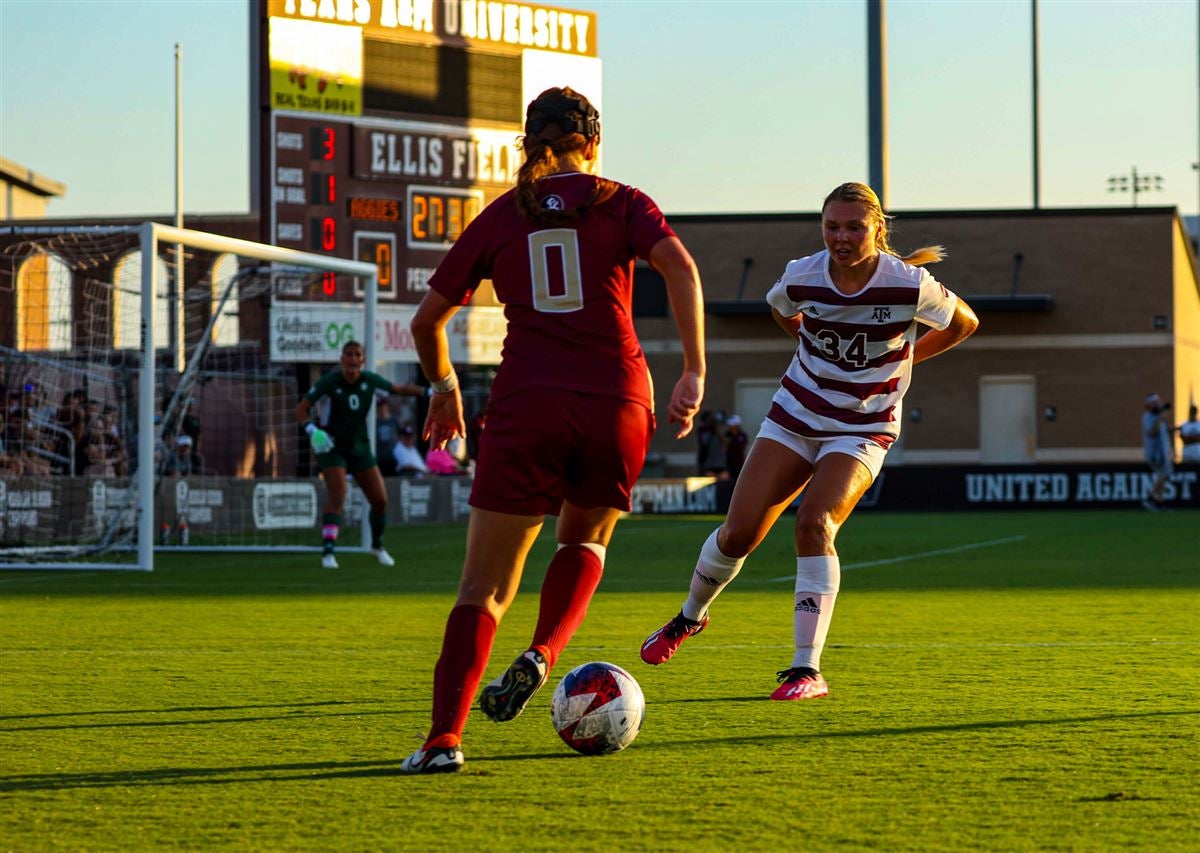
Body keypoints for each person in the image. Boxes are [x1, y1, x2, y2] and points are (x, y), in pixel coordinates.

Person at [400, 86, 705, 774]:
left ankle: (444, 740)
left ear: (529, 142)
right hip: (618, 401)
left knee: (483, 591)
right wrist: (693, 369)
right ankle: (544, 650)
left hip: (527, 403)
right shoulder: (621, 201)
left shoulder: (505, 213)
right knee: (585, 540)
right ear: (593, 143)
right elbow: (680, 267)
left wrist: (445, 390)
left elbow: (426, 323)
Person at [640, 181, 978, 702]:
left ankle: (806, 669)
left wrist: (909, 357)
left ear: (877, 229)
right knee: (738, 534)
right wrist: (809, 341)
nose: (841, 238)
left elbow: (965, 323)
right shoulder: (802, 274)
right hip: (795, 417)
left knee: (814, 523)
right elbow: (782, 310)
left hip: (863, 427)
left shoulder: (909, 284)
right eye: (831, 226)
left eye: (854, 227)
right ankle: (689, 618)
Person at [294, 340, 428, 569]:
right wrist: (312, 429)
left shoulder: (369, 380)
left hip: (360, 448)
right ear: (341, 359)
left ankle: (377, 546)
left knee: (380, 500)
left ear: (363, 360)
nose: (353, 359)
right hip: (332, 447)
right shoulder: (329, 382)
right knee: (338, 494)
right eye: (349, 354)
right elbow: (300, 409)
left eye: (357, 355)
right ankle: (328, 552)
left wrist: (429, 391)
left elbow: (398, 389)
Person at [1141, 393, 1173, 510]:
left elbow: (1165, 431)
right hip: (1156, 454)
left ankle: (1159, 502)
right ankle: (1150, 498)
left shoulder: (1159, 416)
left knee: (1162, 476)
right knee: (1164, 475)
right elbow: (1151, 432)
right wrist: (1160, 418)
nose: (1158, 404)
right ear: (1149, 405)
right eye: (1154, 403)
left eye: (1158, 402)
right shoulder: (1147, 417)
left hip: (1164, 452)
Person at [375, 399, 404, 476]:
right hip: (379, 457)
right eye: (379, 407)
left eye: (383, 406)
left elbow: (399, 435)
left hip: (392, 457)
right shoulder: (375, 422)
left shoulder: (394, 421)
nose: (382, 409)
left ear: (387, 407)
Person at [724, 414, 748, 481]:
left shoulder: (742, 435)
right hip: (729, 464)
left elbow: (743, 446)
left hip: (739, 463)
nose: (731, 427)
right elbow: (725, 445)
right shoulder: (728, 435)